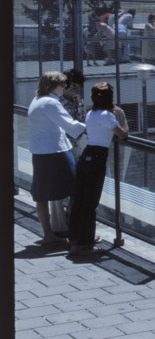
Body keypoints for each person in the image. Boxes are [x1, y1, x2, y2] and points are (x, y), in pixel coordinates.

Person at [67, 83, 128, 257]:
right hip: (98, 158)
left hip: (86, 155)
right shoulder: (108, 116)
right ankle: (85, 244)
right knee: (90, 203)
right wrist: (121, 117)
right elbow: (123, 134)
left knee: (79, 200)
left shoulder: (90, 114)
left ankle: (74, 240)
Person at [27, 71, 87, 246]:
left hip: (39, 153)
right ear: (52, 86)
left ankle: (49, 234)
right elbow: (70, 125)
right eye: (62, 85)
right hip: (56, 152)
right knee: (77, 189)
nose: (64, 88)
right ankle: (76, 232)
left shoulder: (36, 100)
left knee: (41, 195)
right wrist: (93, 126)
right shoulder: (52, 103)